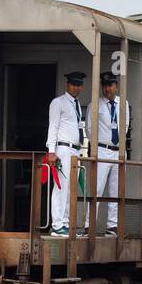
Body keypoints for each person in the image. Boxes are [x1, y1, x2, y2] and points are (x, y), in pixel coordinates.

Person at [45, 71, 86, 236]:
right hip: (62, 149)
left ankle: (66, 223)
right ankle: (57, 225)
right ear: (67, 85)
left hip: (75, 150)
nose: (76, 87)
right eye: (73, 84)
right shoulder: (58, 102)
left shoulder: (76, 103)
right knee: (61, 187)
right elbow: (53, 126)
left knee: (71, 188)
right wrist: (51, 151)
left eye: (78, 85)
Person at [95, 71, 130, 236]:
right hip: (102, 149)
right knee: (97, 188)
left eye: (110, 85)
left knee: (116, 190)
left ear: (116, 86)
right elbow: (89, 128)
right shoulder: (97, 103)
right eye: (104, 86)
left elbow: (125, 127)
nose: (107, 89)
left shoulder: (123, 103)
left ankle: (112, 225)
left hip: (118, 151)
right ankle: (89, 225)